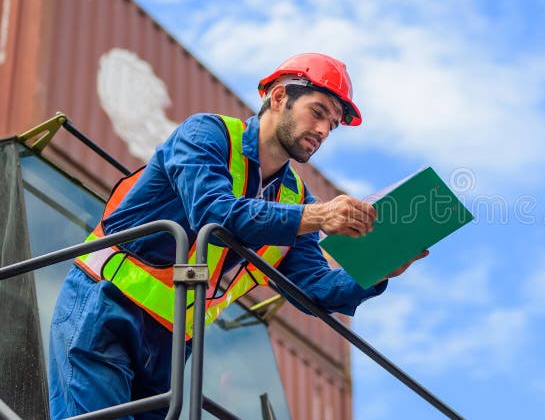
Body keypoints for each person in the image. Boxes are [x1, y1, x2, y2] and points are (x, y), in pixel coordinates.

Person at [48, 53, 428, 419]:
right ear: (279, 95)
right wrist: (319, 216)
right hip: (105, 307)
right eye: (318, 112)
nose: (324, 130)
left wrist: (381, 267)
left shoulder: (295, 199)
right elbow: (214, 214)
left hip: (170, 342)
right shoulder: (206, 135)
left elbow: (314, 291)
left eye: (333, 125)